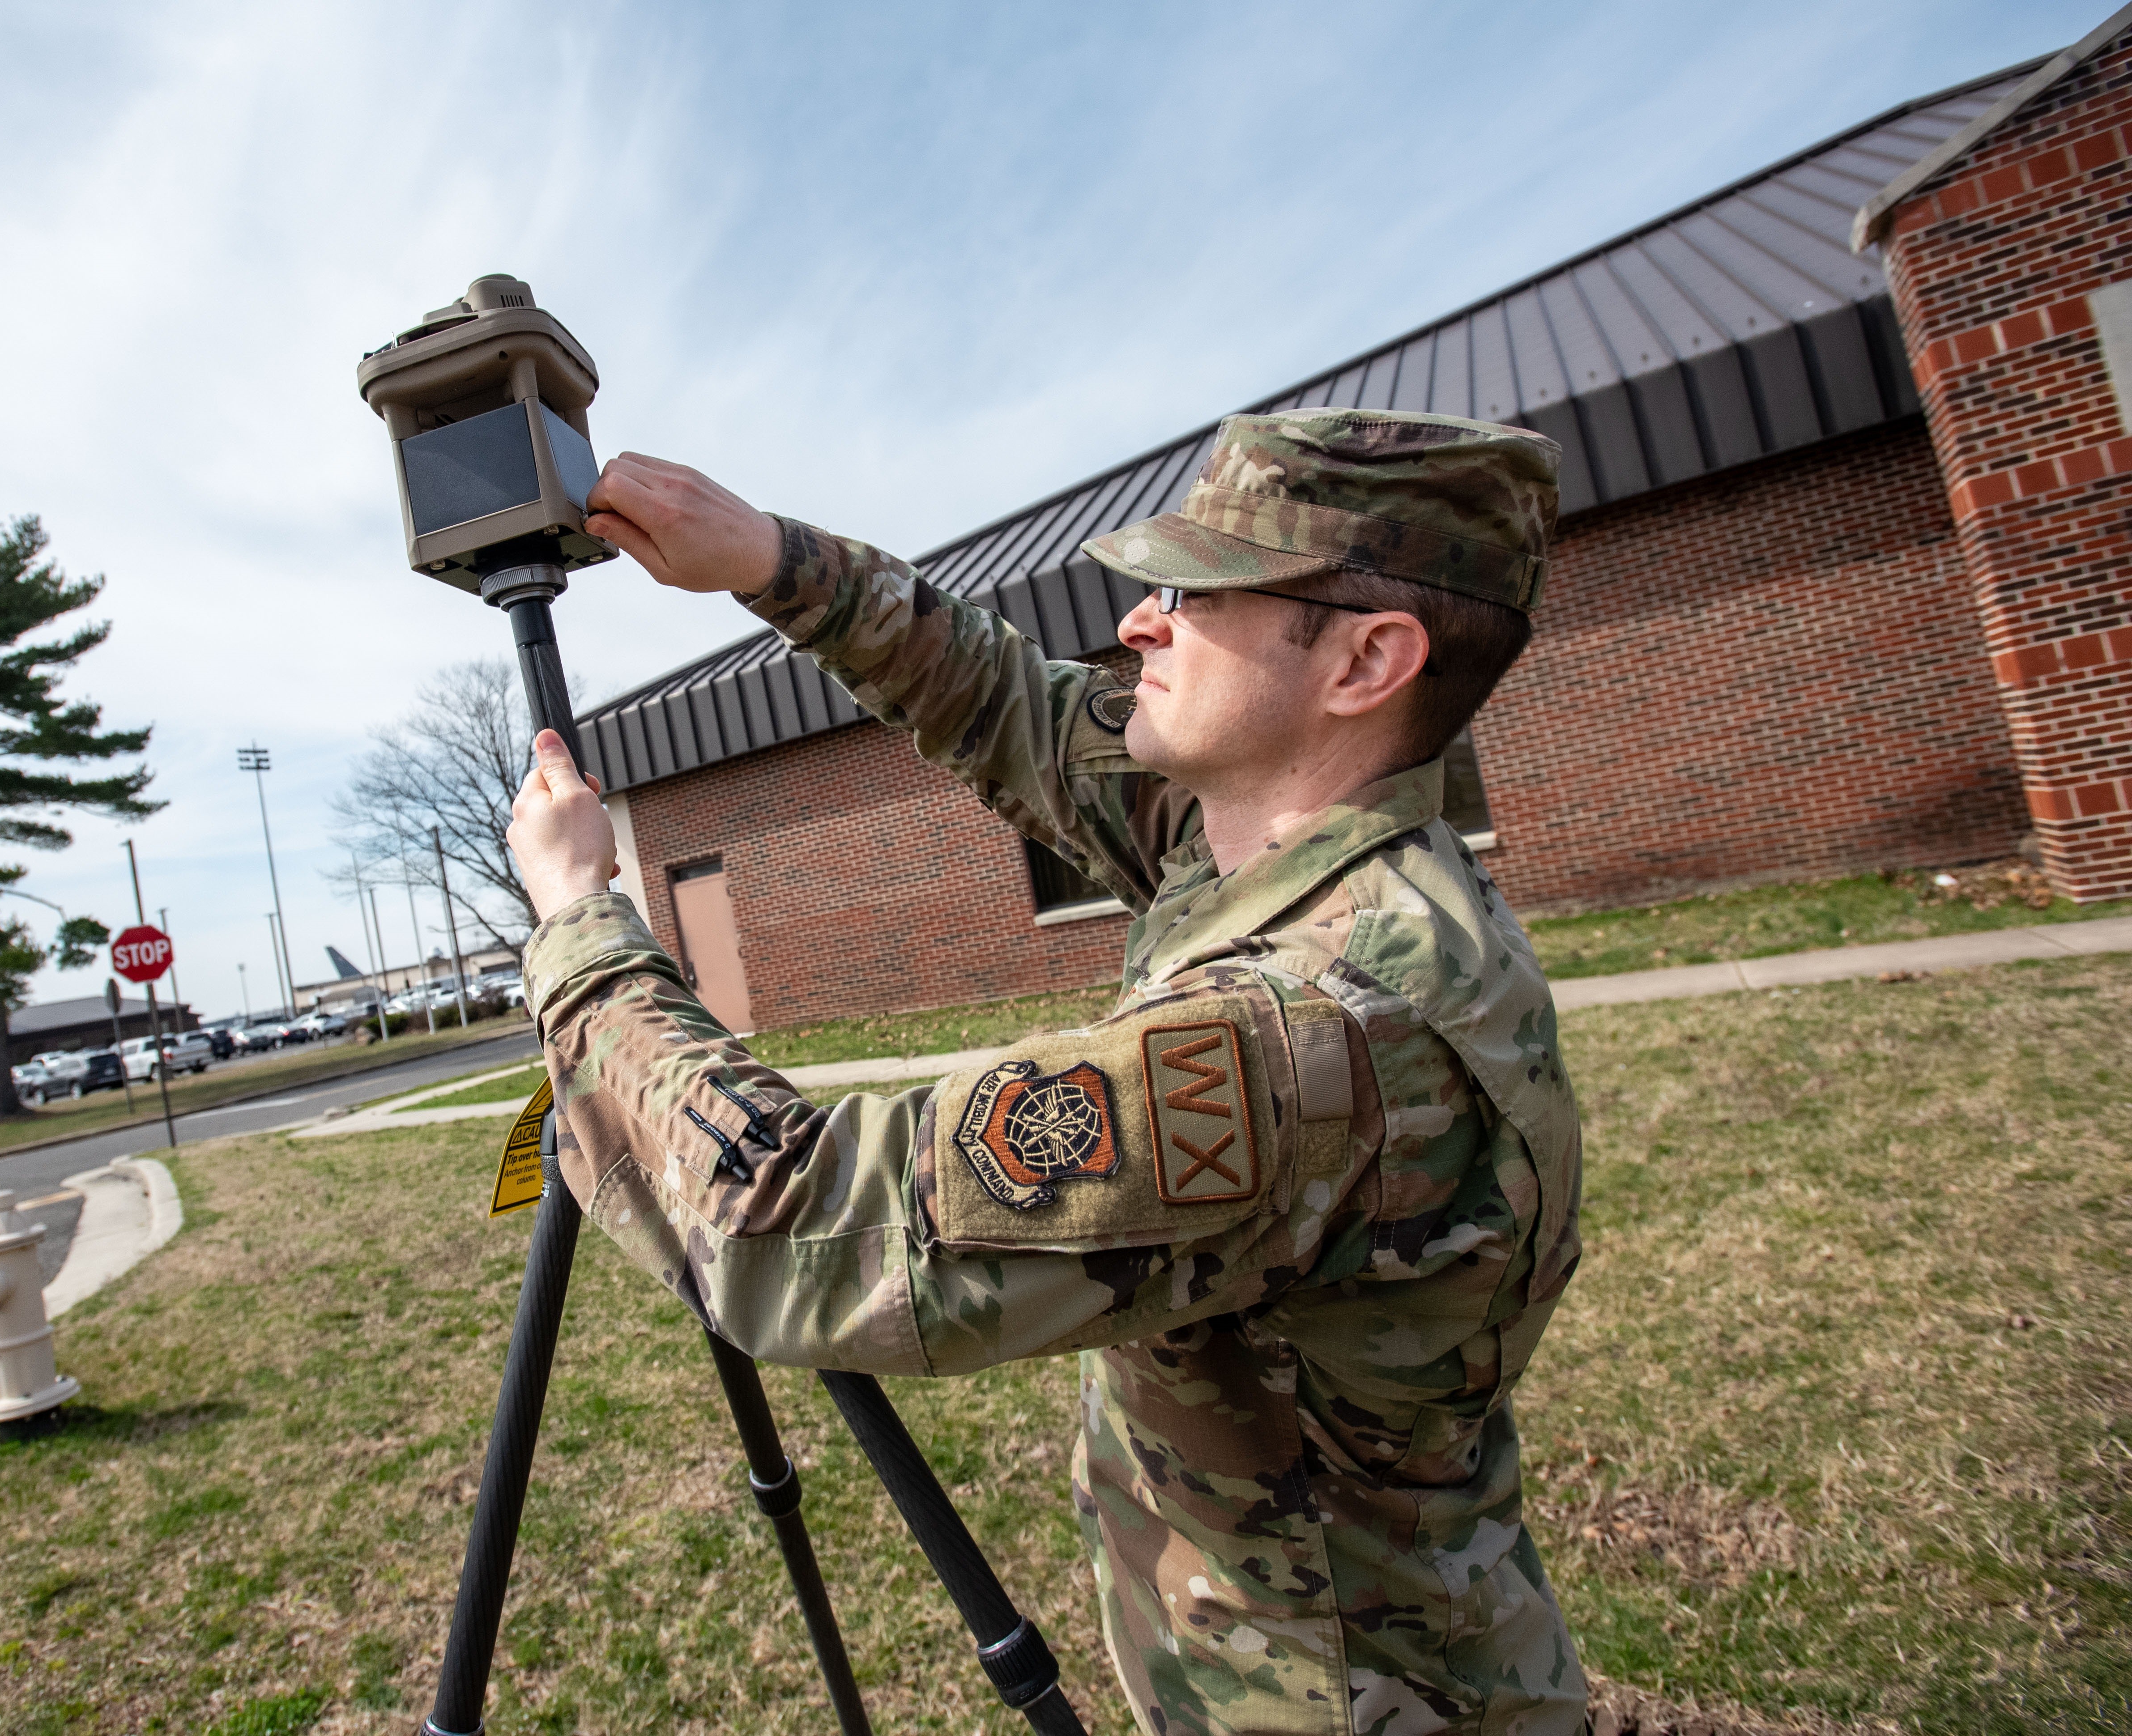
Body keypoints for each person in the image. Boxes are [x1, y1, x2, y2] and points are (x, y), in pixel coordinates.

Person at [505, 409, 1586, 1735]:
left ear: (1368, 659)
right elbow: (1010, 706)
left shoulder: (1308, 1028)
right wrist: (768, 560)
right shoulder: (1290, 858)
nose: (1141, 623)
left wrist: (581, 934)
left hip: (1322, 1696)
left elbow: (790, 1224)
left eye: (1198, 593)